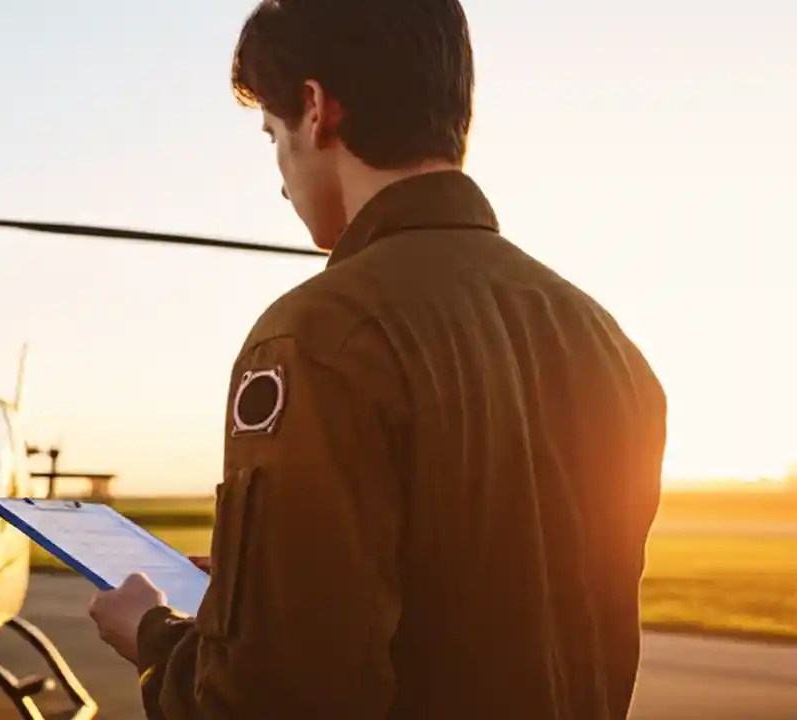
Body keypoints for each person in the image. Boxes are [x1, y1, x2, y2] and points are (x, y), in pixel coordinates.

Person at [87, 1, 667, 717]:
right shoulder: (608, 342)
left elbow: (276, 701)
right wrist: (254, 589)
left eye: (273, 133)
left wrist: (152, 638)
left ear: (314, 108)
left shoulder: (318, 336)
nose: (278, 173)